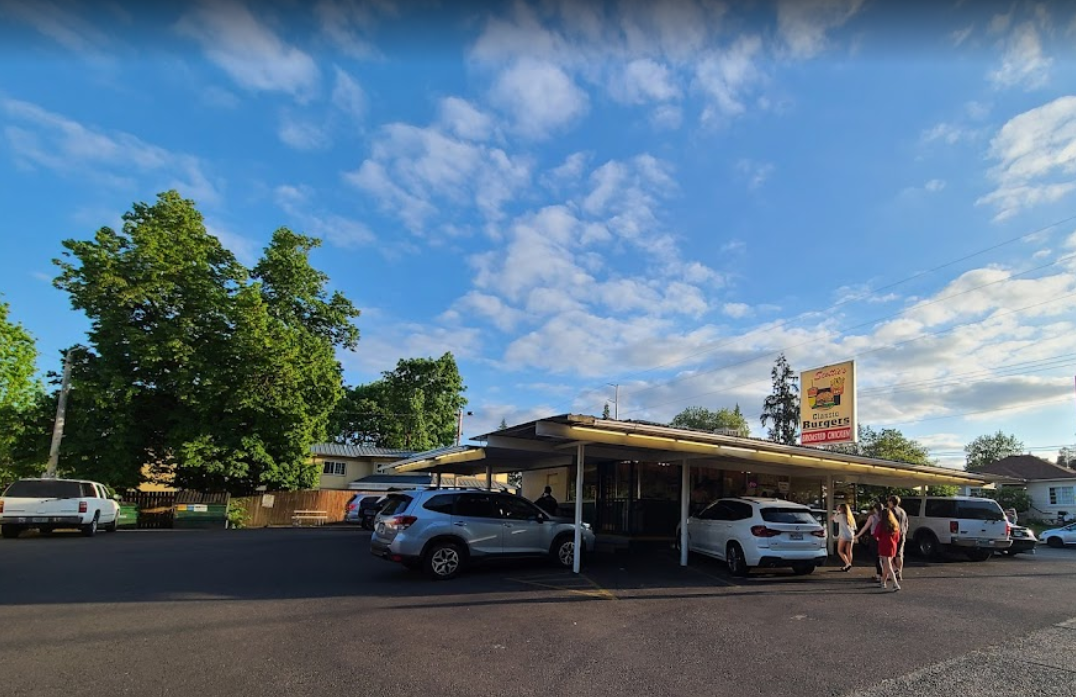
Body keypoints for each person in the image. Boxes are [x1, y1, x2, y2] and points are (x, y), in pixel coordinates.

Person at [855, 503, 885, 582]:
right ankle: (885, 574)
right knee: (884, 557)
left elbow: (865, 527)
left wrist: (858, 535)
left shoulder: (872, 517)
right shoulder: (886, 517)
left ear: (875, 509)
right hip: (884, 538)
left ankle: (879, 574)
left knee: (877, 557)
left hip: (874, 537)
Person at [874, 508, 902, 591]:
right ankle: (883, 582)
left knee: (887, 564)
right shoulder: (895, 524)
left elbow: (876, 534)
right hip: (893, 545)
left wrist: (879, 538)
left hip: (884, 544)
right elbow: (897, 537)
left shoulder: (881, 524)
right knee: (887, 564)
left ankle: (895, 583)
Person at [887, 495, 909, 581]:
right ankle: (899, 573)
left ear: (891, 502)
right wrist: (904, 531)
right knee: (899, 554)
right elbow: (906, 523)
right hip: (902, 533)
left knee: (889, 554)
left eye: (889, 501)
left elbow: (889, 523)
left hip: (893, 534)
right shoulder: (903, 511)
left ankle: (893, 571)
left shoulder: (891, 511)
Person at [834, 503, 857, 571]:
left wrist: (836, 511)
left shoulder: (841, 516)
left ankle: (847, 564)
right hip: (851, 535)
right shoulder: (851, 517)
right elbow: (854, 527)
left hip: (843, 535)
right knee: (849, 551)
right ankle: (848, 566)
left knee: (840, 550)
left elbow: (833, 519)